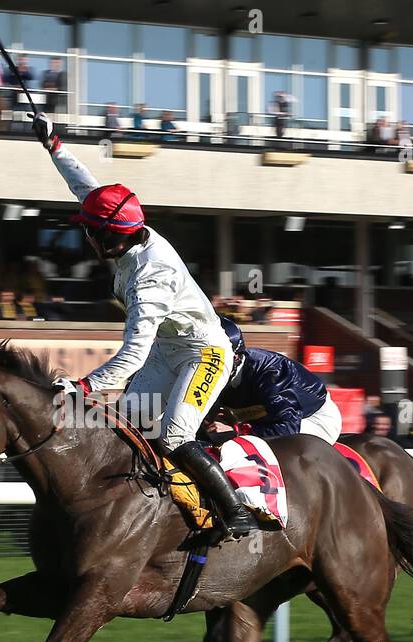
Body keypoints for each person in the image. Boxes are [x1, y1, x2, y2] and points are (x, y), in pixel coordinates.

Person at [29, 110, 253, 539]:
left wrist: (85, 388)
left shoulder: (153, 277)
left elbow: (132, 355)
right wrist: (55, 145)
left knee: (171, 434)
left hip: (202, 355)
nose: (86, 238)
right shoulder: (126, 229)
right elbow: (86, 188)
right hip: (166, 353)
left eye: (90, 232)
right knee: (128, 427)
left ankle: (234, 511)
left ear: (111, 236)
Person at [211, 317, 340, 443]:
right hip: (263, 421)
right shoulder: (226, 371)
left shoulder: (272, 373)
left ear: (234, 357)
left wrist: (236, 432)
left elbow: (287, 429)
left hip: (311, 420)